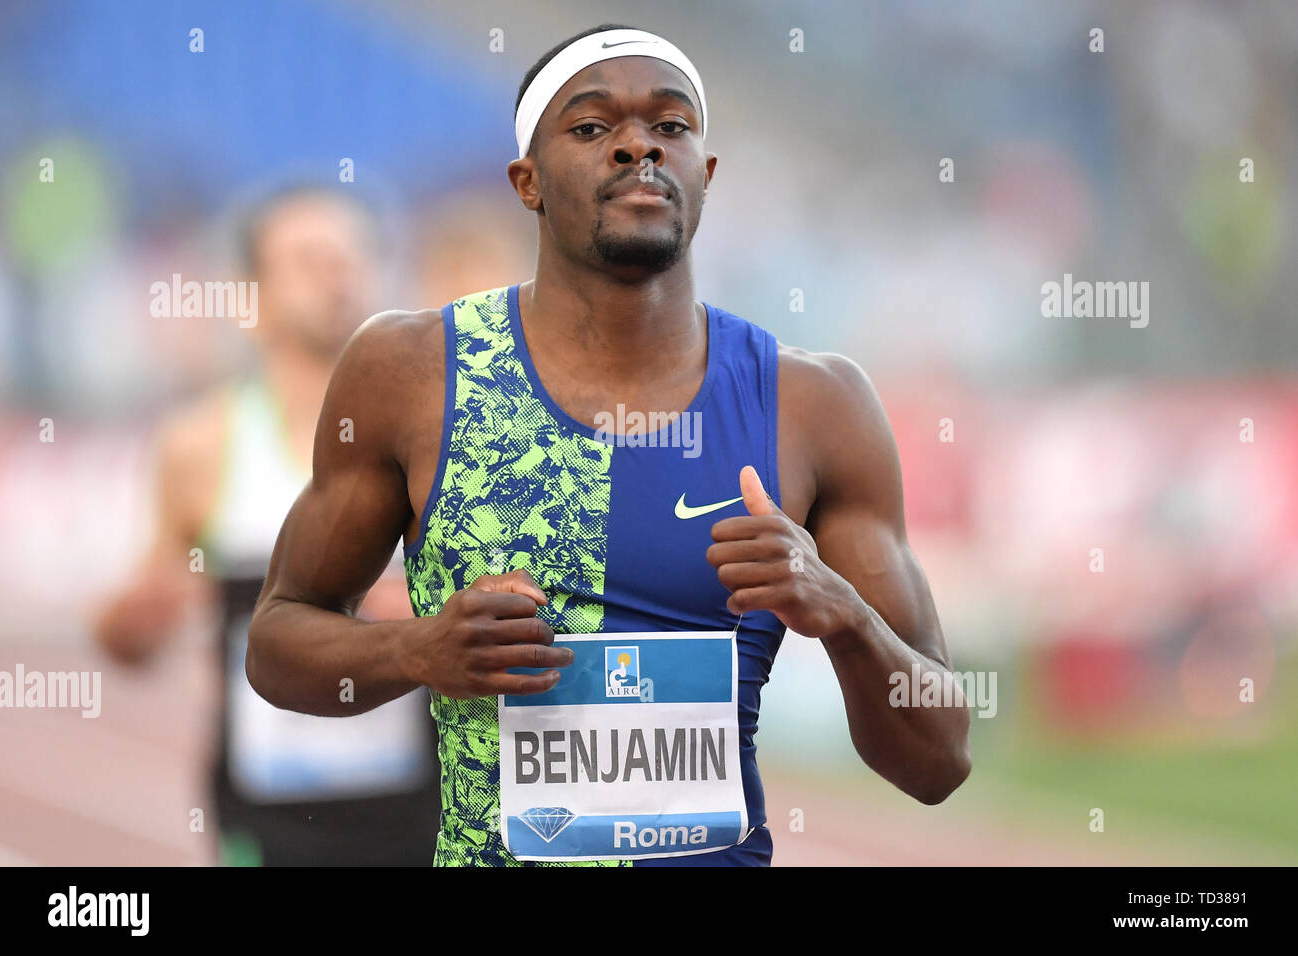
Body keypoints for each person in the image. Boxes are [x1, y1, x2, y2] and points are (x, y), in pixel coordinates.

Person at [246, 25, 971, 867]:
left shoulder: (816, 405)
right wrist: (416, 649)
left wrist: (841, 612)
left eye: (670, 126)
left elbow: (939, 760)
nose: (638, 146)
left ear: (705, 172)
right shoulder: (411, 373)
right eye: (592, 129)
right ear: (528, 182)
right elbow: (277, 644)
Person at [94, 186, 440, 866]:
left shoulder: (435, 436)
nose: (338, 276)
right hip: (268, 810)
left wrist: (412, 613)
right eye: (310, 260)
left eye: (352, 258)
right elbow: (133, 634)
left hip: (422, 805)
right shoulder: (201, 445)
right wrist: (131, 623)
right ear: (249, 300)